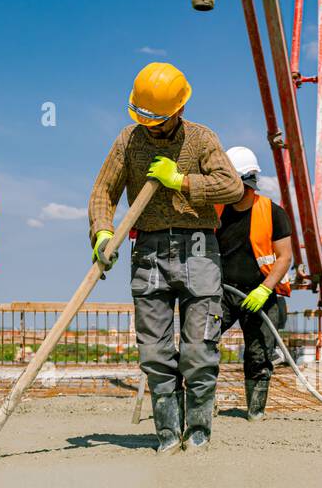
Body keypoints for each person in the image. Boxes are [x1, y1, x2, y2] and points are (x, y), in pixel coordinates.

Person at [88, 62, 243, 453]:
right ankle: (168, 433)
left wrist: (182, 181)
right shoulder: (129, 140)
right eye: (143, 117)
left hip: (198, 250)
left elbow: (232, 186)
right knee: (155, 352)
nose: (149, 126)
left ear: (179, 110)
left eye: (156, 119)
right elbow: (103, 192)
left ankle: (199, 431)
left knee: (198, 349)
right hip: (148, 252)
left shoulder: (202, 139)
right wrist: (103, 231)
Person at [215, 146, 294, 420]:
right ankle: (203, 403)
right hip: (221, 294)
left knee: (259, 355)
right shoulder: (215, 212)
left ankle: (255, 412)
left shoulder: (273, 212)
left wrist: (265, 288)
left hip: (261, 293)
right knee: (202, 344)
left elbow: (285, 257)